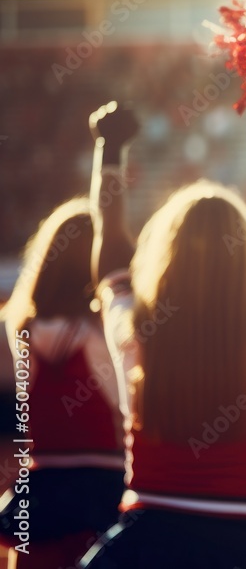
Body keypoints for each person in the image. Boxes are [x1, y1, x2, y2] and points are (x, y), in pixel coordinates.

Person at [79, 103, 246, 569]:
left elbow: (111, 253)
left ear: (166, 257)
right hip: (245, 549)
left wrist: (112, 150)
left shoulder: (138, 335)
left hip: (142, 546)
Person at [0, 199, 125, 569]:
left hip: (41, 492)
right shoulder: (102, 335)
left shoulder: (19, 328)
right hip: (103, 492)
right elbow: (125, 414)